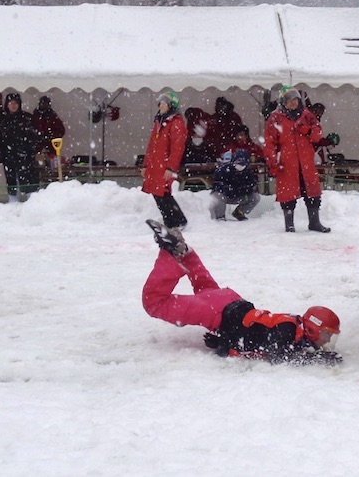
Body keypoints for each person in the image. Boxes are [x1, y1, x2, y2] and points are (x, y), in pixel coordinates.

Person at [141, 220, 342, 364]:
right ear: (313, 329)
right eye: (327, 334)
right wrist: (316, 359)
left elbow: (259, 336)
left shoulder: (294, 325)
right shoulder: (288, 331)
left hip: (228, 302)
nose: (328, 340)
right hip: (218, 312)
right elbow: (276, 354)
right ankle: (171, 252)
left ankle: (184, 252)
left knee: (204, 287)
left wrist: (224, 341)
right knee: (154, 303)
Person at [265, 86, 330, 233]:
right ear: (283, 102)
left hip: (306, 163)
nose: (293, 103)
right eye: (290, 100)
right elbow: (270, 142)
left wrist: (308, 130)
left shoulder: (307, 116)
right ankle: (289, 225)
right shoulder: (275, 118)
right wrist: (272, 162)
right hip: (287, 163)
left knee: (312, 193)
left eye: (295, 99)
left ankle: (314, 222)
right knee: (288, 195)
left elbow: (317, 135)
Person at [143, 90, 189, 232]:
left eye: (163, 103)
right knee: (158, 194)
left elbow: (177, 148)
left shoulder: (176, 123)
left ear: (170, 105)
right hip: (155, 165)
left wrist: (171, 168)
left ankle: (178, 221)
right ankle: (170, 222)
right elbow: (151, 145)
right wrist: (145, 164)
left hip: (164, 166)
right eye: (160, 103)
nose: (160, 105)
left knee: (163, 194)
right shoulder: (159, 121)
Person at [0, 92, 40, 202]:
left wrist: (30, 151)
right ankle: (13, 202)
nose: (13, 105)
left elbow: (34, 137)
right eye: (10, 103)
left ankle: (32, 202)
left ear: (19, 104)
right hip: (9, 156)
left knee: (28, 180)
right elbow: (0, 138)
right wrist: (0, 153)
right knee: (11, 181)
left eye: (15, 103)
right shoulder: (3, 119)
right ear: (7, 105)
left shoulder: (27, 118)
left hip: (25, 156)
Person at [210, 149, 261, 221]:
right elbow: (216, 185)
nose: (240, 166)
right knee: (217, 197)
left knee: (255, 197)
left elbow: (251, 184)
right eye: (238, 163)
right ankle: (220, 216)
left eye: (243, 164)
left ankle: (239, 212)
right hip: (224, 195)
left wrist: (244, 189)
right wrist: (227, 189)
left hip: (239, 195)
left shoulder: (248, 172)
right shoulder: (223, 170)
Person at [32, 95, 66, 183]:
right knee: (39, 172)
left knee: (52, 173)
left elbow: (61, 130)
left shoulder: (52, 116)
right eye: (43, 104)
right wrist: (37, 137)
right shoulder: (35, 116)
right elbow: (31, 131)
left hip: (51, 149)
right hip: (38, 149)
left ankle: (51, 184)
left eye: (46, 104)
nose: (44, 106)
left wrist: (51, 137)